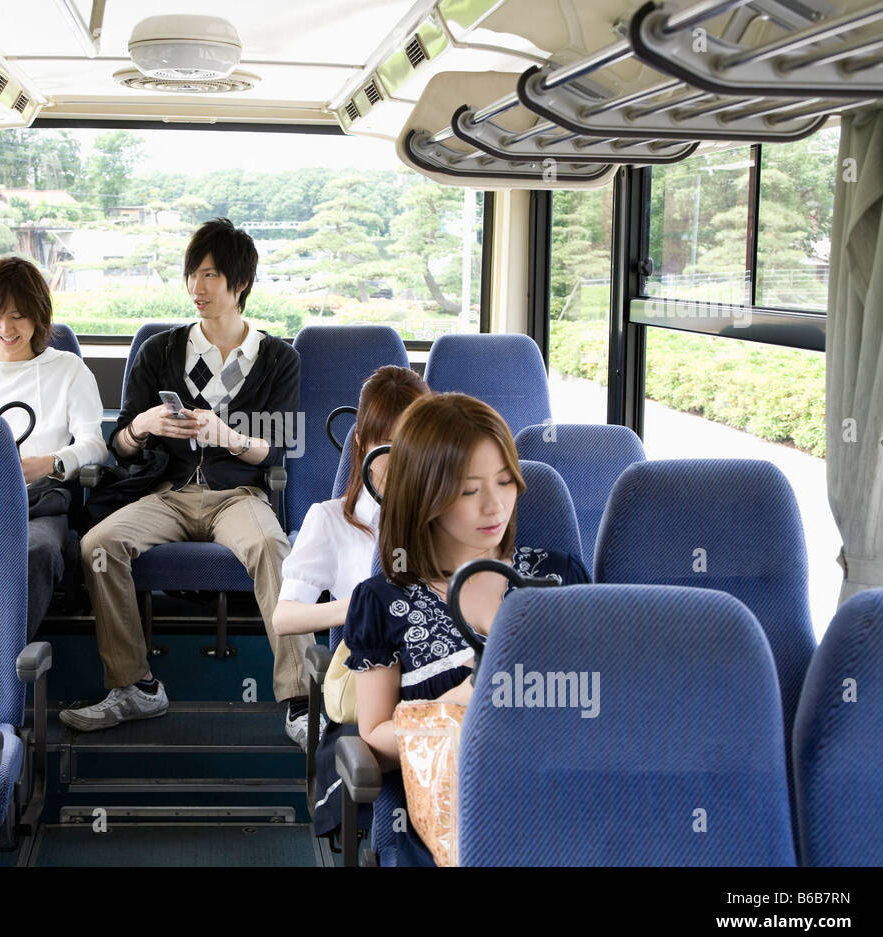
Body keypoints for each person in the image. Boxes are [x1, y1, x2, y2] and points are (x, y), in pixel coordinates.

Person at [62, 218, 309, 743]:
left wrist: (226, 435)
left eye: (211, 276)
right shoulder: (160, 351)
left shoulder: (277, 358)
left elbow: (276, 448)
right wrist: (141, 426)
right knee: (99, 544)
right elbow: (120, 447)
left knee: (271, 546)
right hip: (167, 492)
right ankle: (135, 687)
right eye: (192, 275)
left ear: (240, 284)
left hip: (236, 494)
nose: (197, 288)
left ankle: (299, 697)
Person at [342, 392, 589, 866]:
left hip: (561, 804)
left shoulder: (560, 579)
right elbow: (373, 737)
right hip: (455, 819)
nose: (495, 505)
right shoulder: (383, 601)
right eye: (469, 490)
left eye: (505, 481)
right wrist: (458, 704)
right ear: (425, 494)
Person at [270, 365, 431, 815]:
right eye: (387, 447)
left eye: (414, 444)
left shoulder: (452, 517)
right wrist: (363, 605)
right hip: (376, 679)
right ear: (362, 443)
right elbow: (286, 617)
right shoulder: (331, 520)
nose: (401, 461)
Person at [0, 256, 108, 638]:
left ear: (38, 315)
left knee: (35, 552)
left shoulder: (68, 370)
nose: (5, 329)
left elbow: (95, 445)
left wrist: (49, 464)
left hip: (41, 505)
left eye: (17, 316)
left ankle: (0, 662)